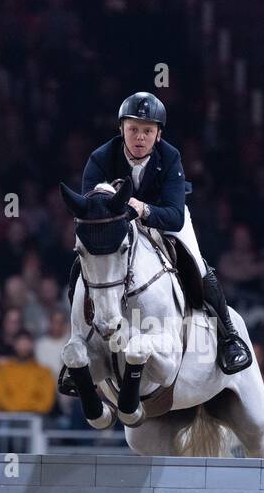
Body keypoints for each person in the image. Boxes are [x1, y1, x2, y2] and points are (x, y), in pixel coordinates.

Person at [65, 91, 252, 376]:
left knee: (198, 266)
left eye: (147, 131)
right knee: (82, 266)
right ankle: (79, 338)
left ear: (158, 134)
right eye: (133, 130)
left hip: (163, 218)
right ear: (121, 129)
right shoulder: (100, 157)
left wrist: (144, 209)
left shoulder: (170, 157)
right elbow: (91, 211)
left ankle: (229, 339)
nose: (140, 137)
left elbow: (175, 216)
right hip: (117, 223)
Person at [0, 331, 55, 415]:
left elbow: (46, 402)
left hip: (36, 417)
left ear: (32, 345)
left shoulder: (44, 372)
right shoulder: (1, 371)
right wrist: (21, 410)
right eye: (20, 344)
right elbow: (1, 399)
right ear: (14, 345)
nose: (23, 348)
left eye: (26, 344)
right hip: (9, 418)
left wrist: (28, 409)